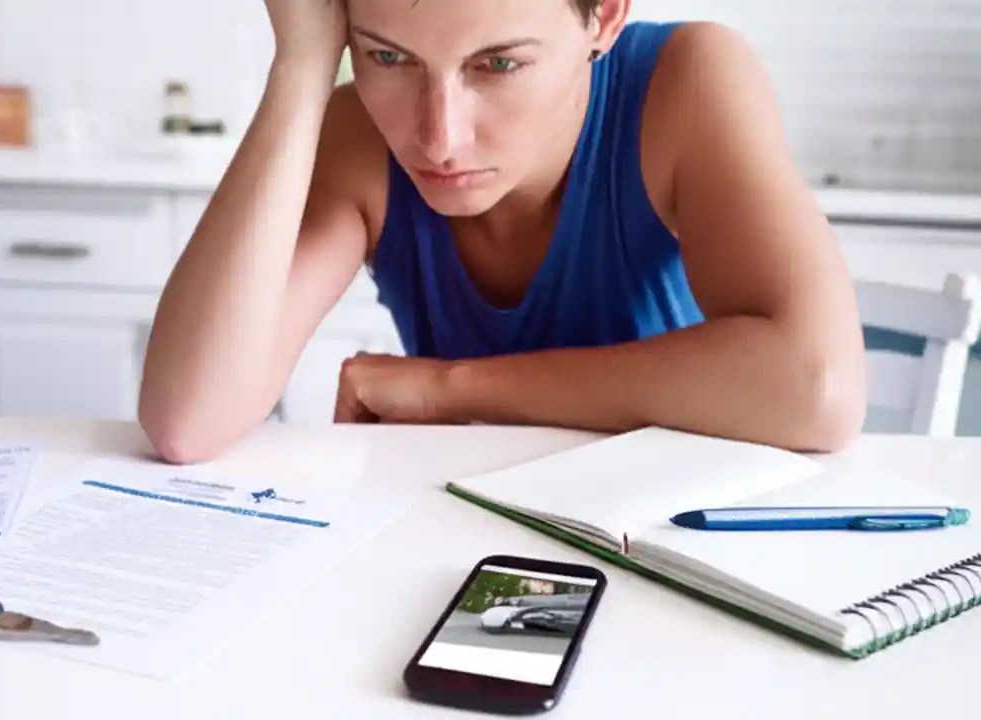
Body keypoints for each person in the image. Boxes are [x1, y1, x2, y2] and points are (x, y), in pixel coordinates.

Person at [139, 0, 869, 464]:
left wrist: (448, 389)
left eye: (499, 63)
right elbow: (188, 420)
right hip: (464, 535)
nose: (439, 137)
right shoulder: (357, 134)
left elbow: (816, 389)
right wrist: (301, 65)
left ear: (603, 17)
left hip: (671, 538)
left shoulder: (685, 80)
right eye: (388, 57)